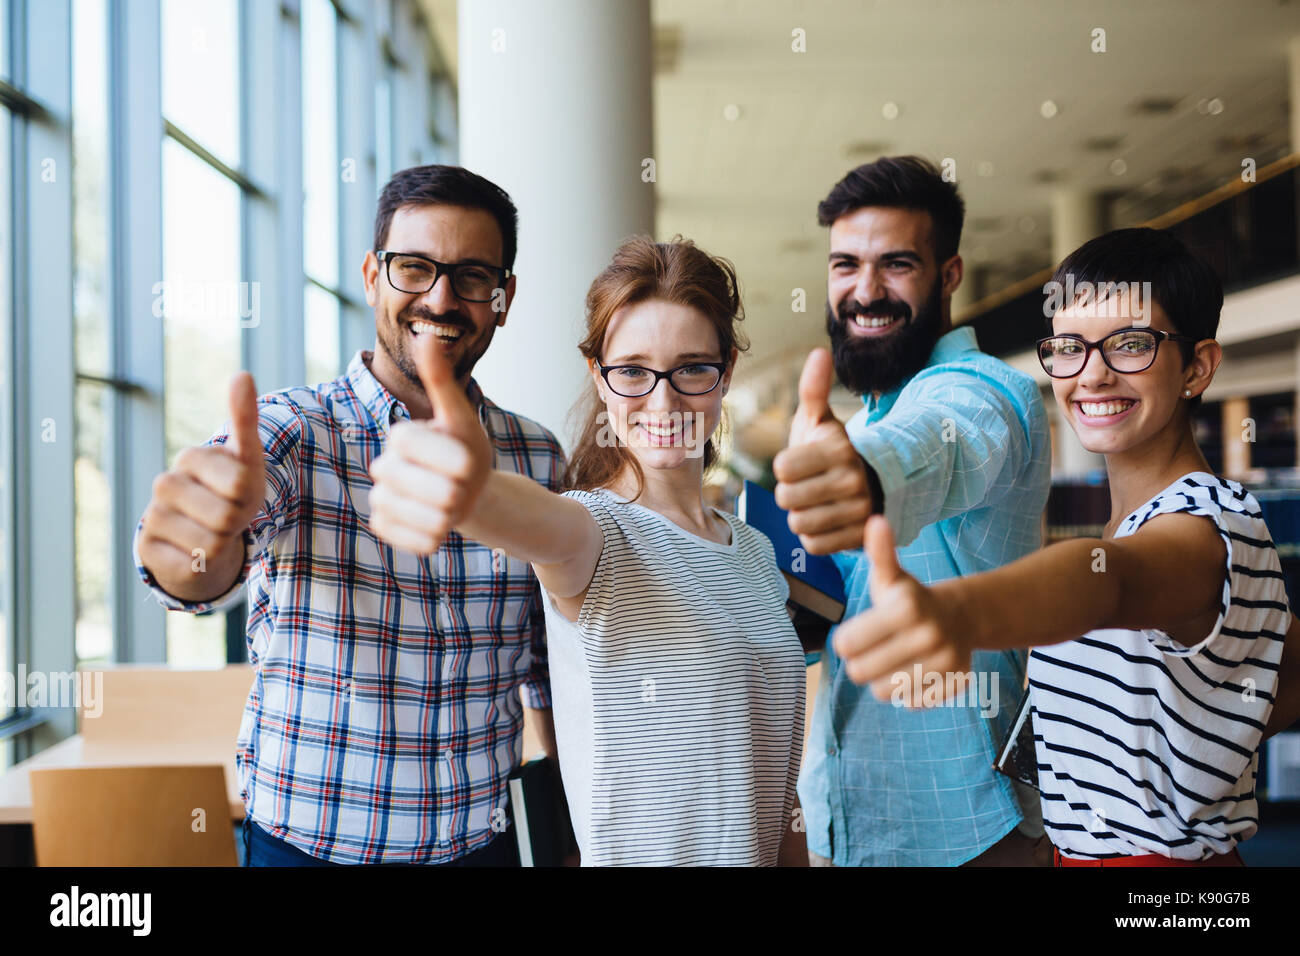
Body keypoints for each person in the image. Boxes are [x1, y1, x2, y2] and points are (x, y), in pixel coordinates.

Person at [133, 165, 565, 865]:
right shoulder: (293, 431)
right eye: (414, 268)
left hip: (479, 846)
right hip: (308, 848)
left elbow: (546, 665)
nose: (441, 298)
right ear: (372, 276)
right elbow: (198, 563)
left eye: (472, 276)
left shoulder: (538, 456)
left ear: (503, 296)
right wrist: (190, 552)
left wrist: (568, 828)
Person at [834, 227, 1290, 865]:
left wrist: (953, 614)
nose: (1092, 374)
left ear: (1197, 365)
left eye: (1129, 343)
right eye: (1069, 347)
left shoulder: (1207, 525)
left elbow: (1105, 583)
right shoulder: (1132, 526)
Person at [368, 236, 808, 866]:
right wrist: (475, 495)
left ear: (726, 372)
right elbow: (534, 520)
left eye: (691, 368)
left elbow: (775, 784)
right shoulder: (594, 530)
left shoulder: (756, 555)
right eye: (631, 371)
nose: (662, 400)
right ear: (600, 379)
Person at [773, 156, 1053, 866]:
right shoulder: (858, 421)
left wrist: (865, 476)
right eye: (845, 265)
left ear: (949, 275)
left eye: (896, 264)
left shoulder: (990, 393)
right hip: (855, 818)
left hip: (971, 831)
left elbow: (938, 446)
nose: (864, 292)